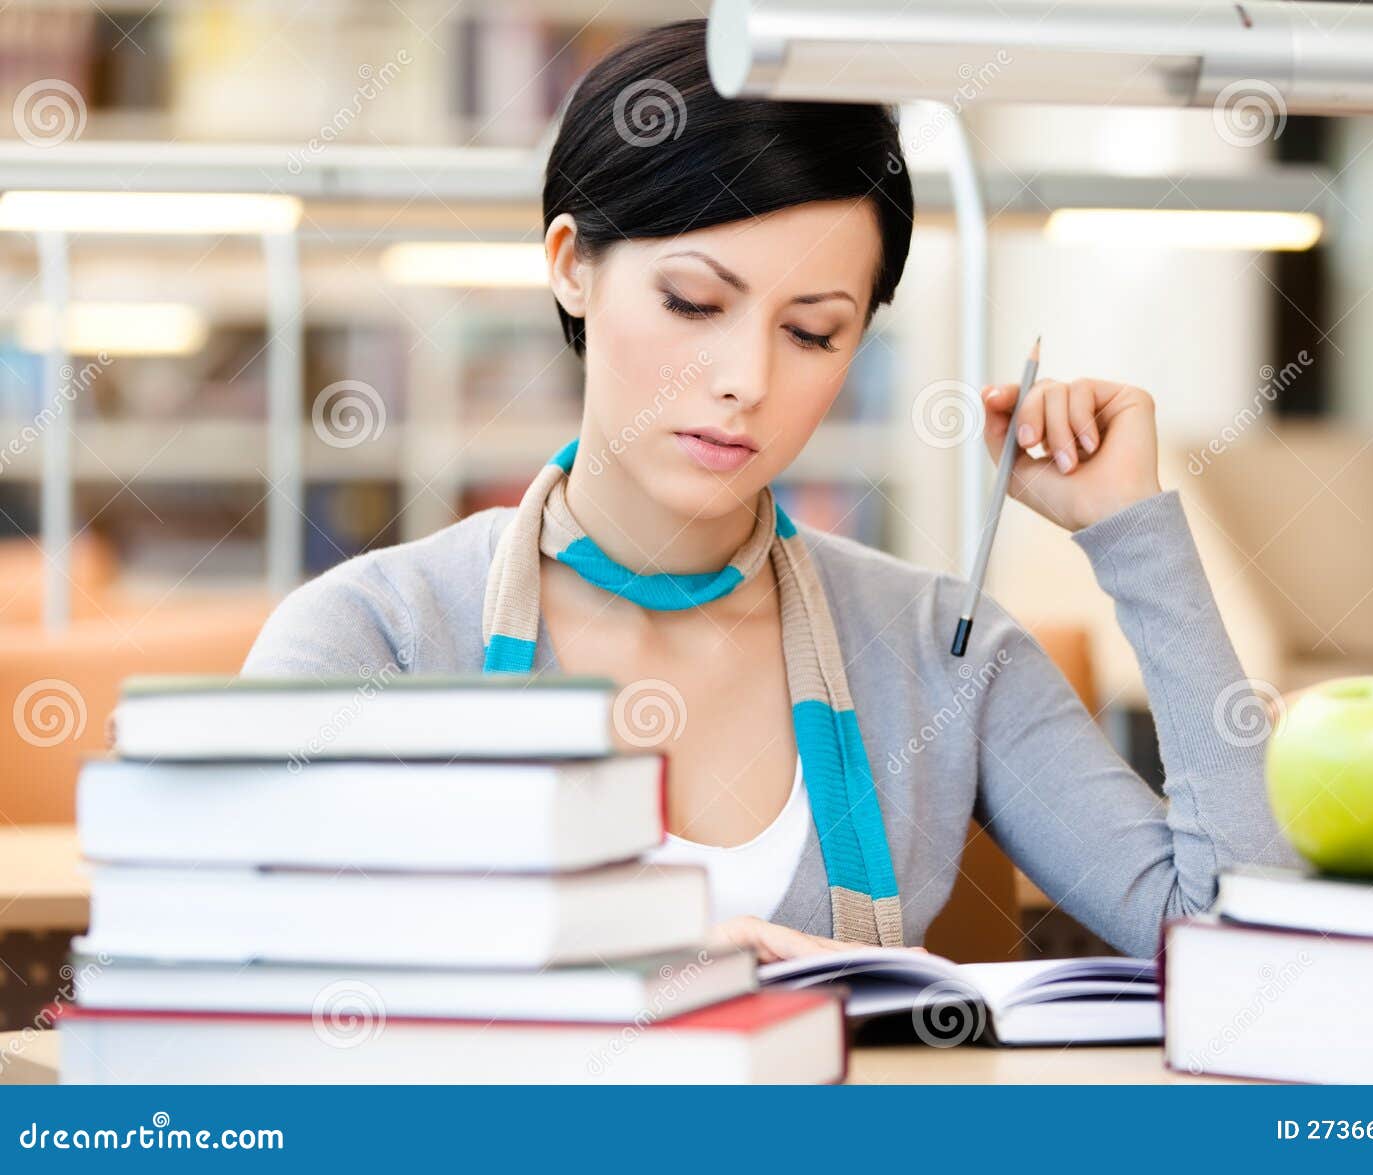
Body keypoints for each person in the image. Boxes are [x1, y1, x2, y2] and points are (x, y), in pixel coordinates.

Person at [243, 18, 1295, 963]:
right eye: (694, 302)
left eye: (811, 332)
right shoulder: (378, 638)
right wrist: (644, 970)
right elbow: (248, 982)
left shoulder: (943, 651)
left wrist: (1133, 533)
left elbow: (1243, 947)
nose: (746, 379)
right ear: (571, 264)